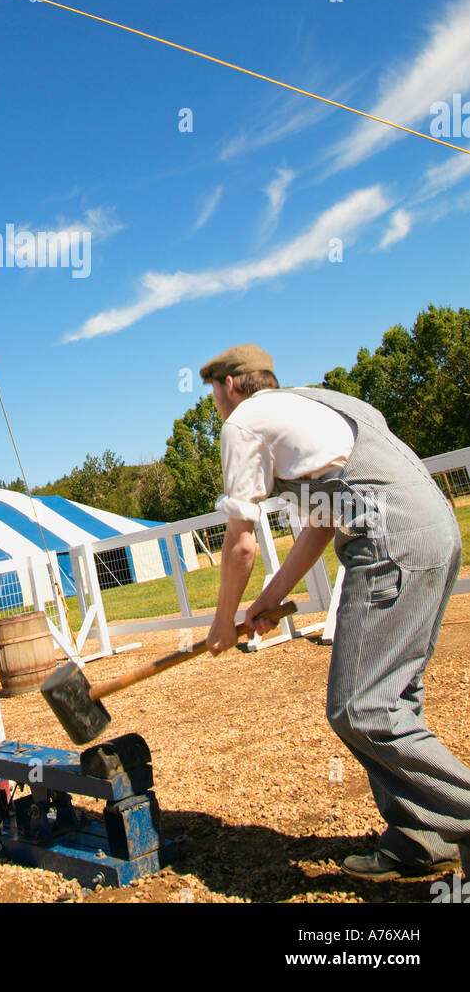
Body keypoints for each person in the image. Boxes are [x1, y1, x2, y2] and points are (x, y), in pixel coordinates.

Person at [199, 342, 470, 881]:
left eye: (213, 395)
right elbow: (321, 522)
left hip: (389, 543)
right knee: (393, 702)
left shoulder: (243, 424)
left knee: (361, 709)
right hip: (434, 532)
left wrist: (220, 622)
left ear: (229, 386)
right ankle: (419, 838)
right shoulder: (316, 406)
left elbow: (240, 543)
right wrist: (268, 600)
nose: (216, 407)